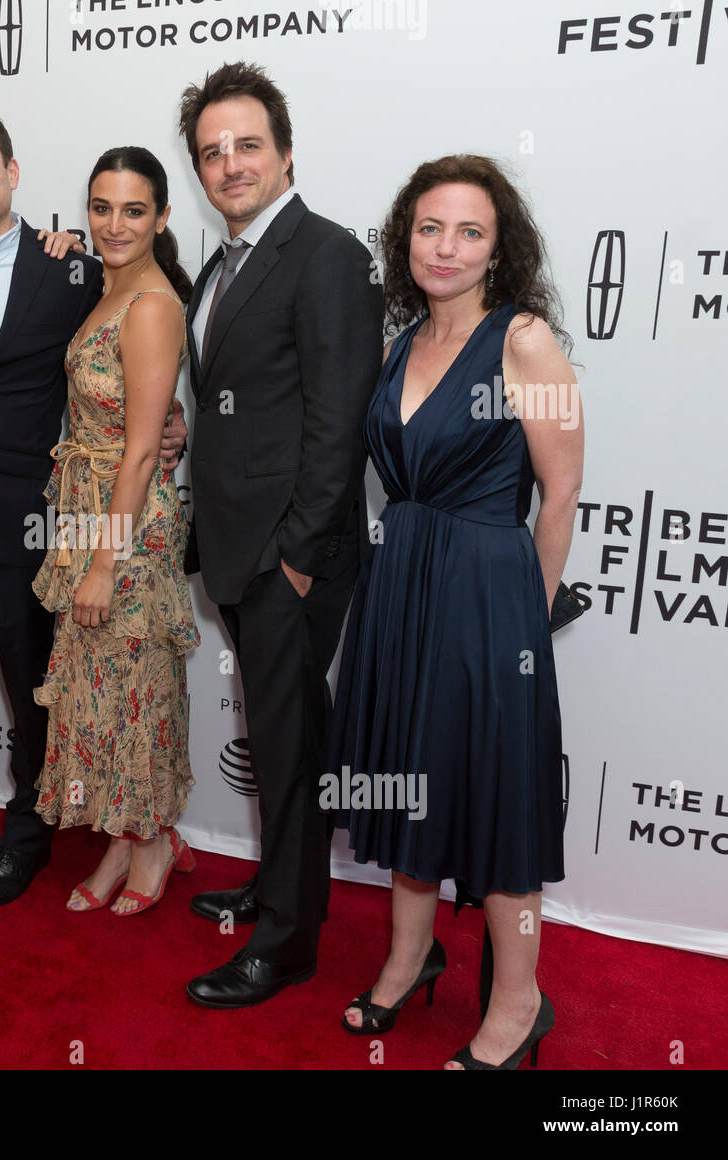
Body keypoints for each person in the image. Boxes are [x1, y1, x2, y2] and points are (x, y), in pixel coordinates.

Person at [0, 110, 187, 910]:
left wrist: (171, 424)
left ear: (13, 173)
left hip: (22, 523)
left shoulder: (71, 271)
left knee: (33, 690)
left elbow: (131, 390)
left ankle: (27, 835)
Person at [329, 155, 582, 1069]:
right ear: (406, 239)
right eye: (430, 227)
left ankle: (518, 1005)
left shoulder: (524, 342)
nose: (446, 247)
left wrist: (526, 617)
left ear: (498, 247)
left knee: (497, 802)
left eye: (469, 231)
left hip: (485, 596)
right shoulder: (401, 343)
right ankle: (408, 956)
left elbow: (560, 496)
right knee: (408, 778)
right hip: (401, 587)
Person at [177, 62, 384, 1007]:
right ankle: (274, 889)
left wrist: (298, 557)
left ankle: (289, 944)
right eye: (212, 151)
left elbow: (337, 417)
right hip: (233, 545)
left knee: (293, 747)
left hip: (290, 555)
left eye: (247, 144)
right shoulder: (225, 260)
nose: (229, 163)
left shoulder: (326, 253)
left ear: (286, 150)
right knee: (276, 734)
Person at [31, 147, 200, 915]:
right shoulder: (107, 288)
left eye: (134, 210)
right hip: (86, 508)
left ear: (163, 218)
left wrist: (105, 563)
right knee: (96, 688)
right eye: (101, 208)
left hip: (126, 526)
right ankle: (121, 836)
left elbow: (140, 449)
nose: (115, 224)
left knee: (134, 687)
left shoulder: (153, 304)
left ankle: (153, 841)